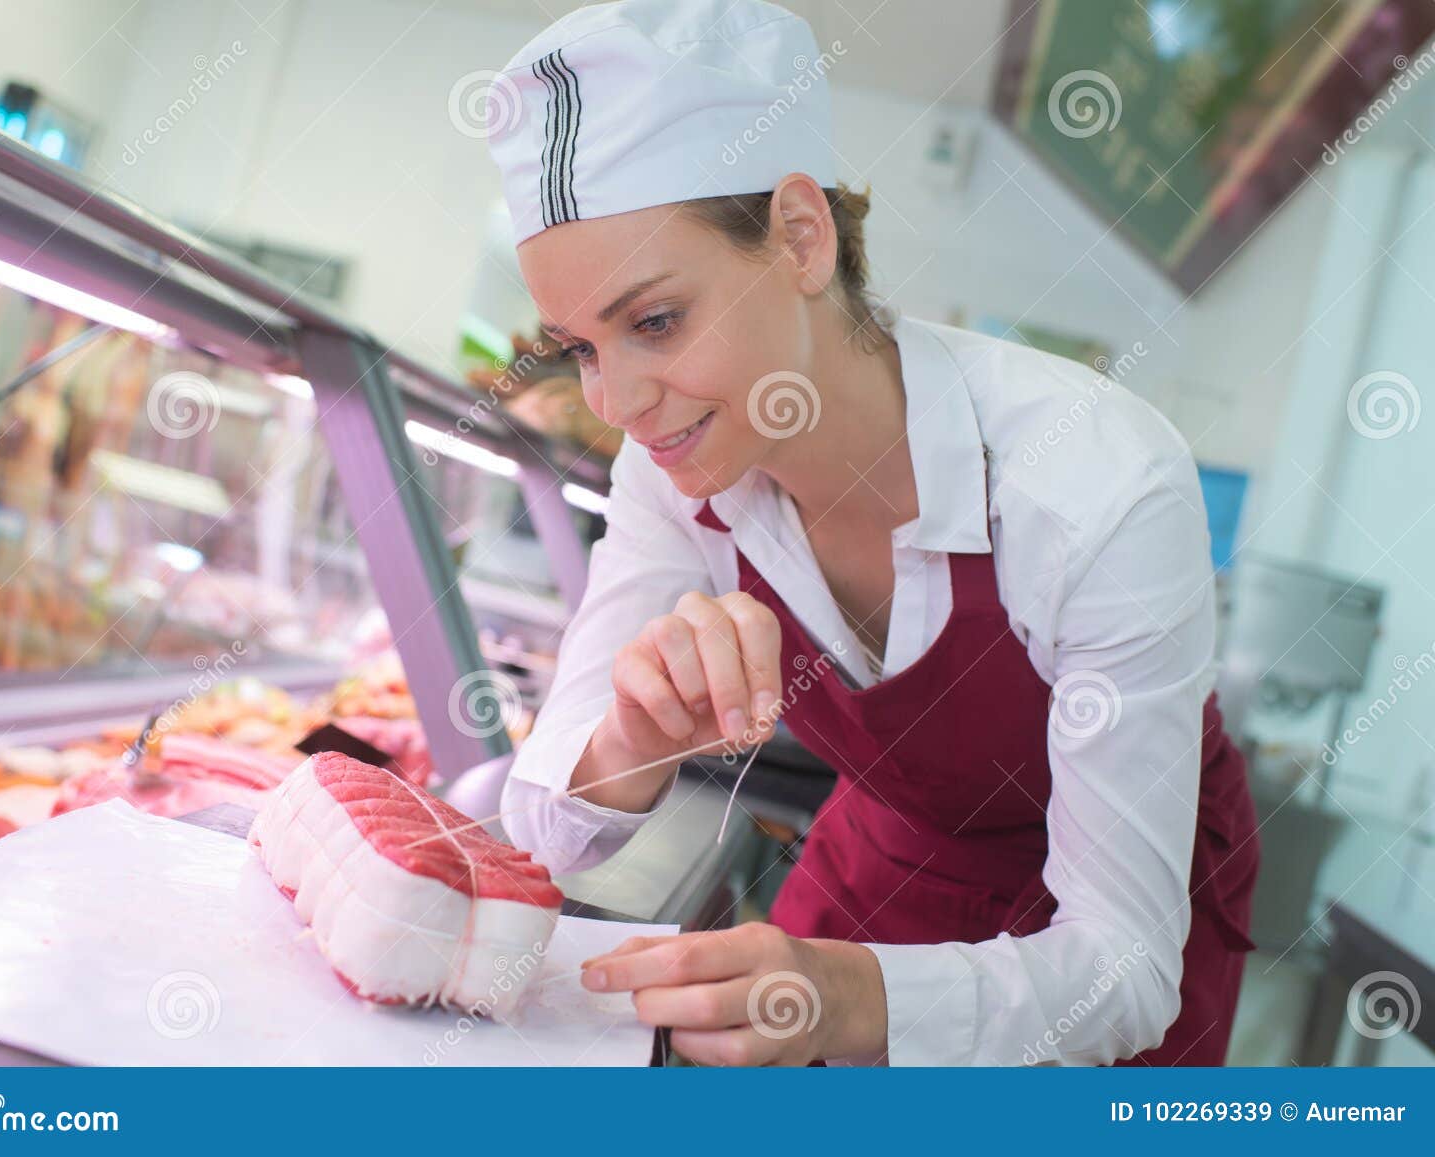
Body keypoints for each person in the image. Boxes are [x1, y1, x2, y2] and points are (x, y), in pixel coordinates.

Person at [483, 0, 1259, 1067]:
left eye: (654, 321)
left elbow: (1121, 970)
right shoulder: (673, 463)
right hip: (888, 850)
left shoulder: (1092, 480)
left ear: (802, 236)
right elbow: (544, 830)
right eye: (578, 348)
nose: (613, 400)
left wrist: (848, 994)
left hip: (1118, 925)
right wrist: (628, 736)